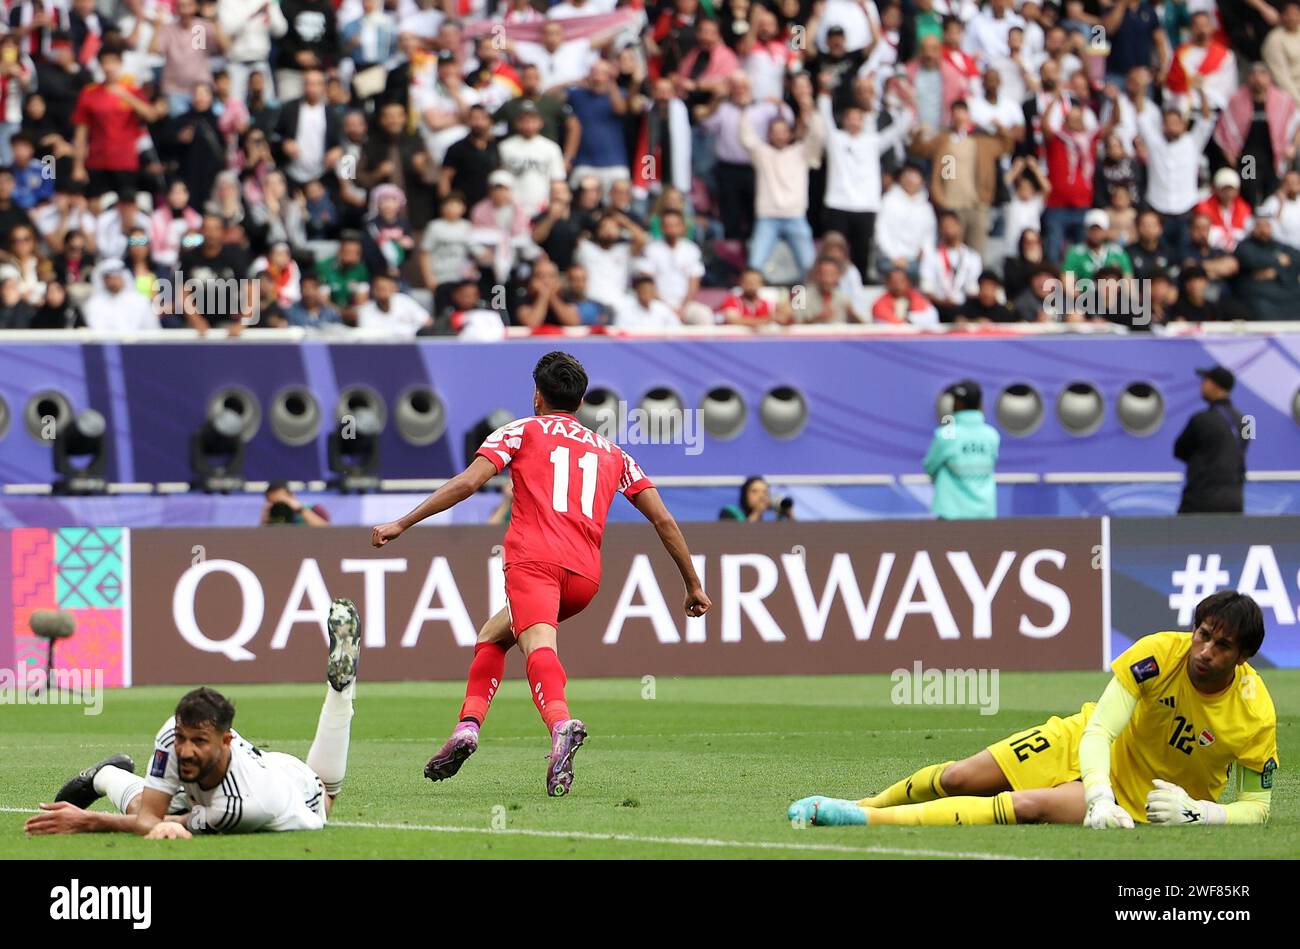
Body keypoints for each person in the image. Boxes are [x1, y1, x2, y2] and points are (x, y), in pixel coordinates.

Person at [370, 353, 709, 796]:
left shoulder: (521, 430)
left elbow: (468, 483)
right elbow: (663, 520)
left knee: (537, 644)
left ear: (537, 396)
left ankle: (561, 724)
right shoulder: (614, 453)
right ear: (581, 400)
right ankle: (467, 727)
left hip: (534, 563)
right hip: (585, 579)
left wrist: (403, 522)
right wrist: (693, 584)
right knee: (494, 635)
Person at [789, 590, 1277, 829]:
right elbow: (1101, 731)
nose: (1205, 651)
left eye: (1222, 645)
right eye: (1202, 634)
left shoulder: (1254, 715)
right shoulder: (1156, 654)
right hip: (1083, 741)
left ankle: (856, 821)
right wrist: (1096, 796)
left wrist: (1202, 814)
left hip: (1144, 797)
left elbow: (1258, 807)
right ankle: (865, 802)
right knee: (961, 776)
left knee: (1028, 806)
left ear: (1243, 656)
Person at [24, 599, 362, 837]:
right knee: (157, 805)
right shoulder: (174, 734)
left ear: (225, 739)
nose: (184, 749)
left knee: (326, 796)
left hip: (295, 787)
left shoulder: (242, 808)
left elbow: (154, 824)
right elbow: (149, 816)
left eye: (198, 741)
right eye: (184, 737)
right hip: (234, 771)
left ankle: (340, 691)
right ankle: (107, 774)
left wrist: (89, 821)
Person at [1174, 365, 1248, 514]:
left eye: (1205, 381)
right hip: (1234, 502)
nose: (1202, 385)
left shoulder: (1200, 420)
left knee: (1185, 538)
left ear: (1216, 387)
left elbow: (1179, 451)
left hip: (1200, 502)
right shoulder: (1246, 421)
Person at [922, 379, 999, 519]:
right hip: (985, 514)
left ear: (958, 403)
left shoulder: (946, 434)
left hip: (951, 516)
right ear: (980, 404)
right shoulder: (992, 435)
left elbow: (929, 466)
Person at [718, 475, 794, 521]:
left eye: (765, 492)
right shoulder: (729, 513)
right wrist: (757, 512)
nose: (761, 496)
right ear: (745, 494)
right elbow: (738, 538)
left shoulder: (769, 517)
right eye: (754, 491)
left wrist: (790, 516)